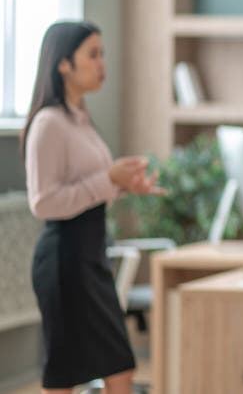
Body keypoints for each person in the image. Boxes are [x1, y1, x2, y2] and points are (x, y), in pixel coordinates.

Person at [22, 21, 163, 394]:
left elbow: (88, 187)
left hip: (91, 256)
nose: (102, 64)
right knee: (64, 375)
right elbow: (43, 202)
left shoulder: (80, 120)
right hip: (64, 259)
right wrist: (109, 179)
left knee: (120, 366)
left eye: (103, 54)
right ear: (63, 64)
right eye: (93, 54)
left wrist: (123, 185)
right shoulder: (49, 124)